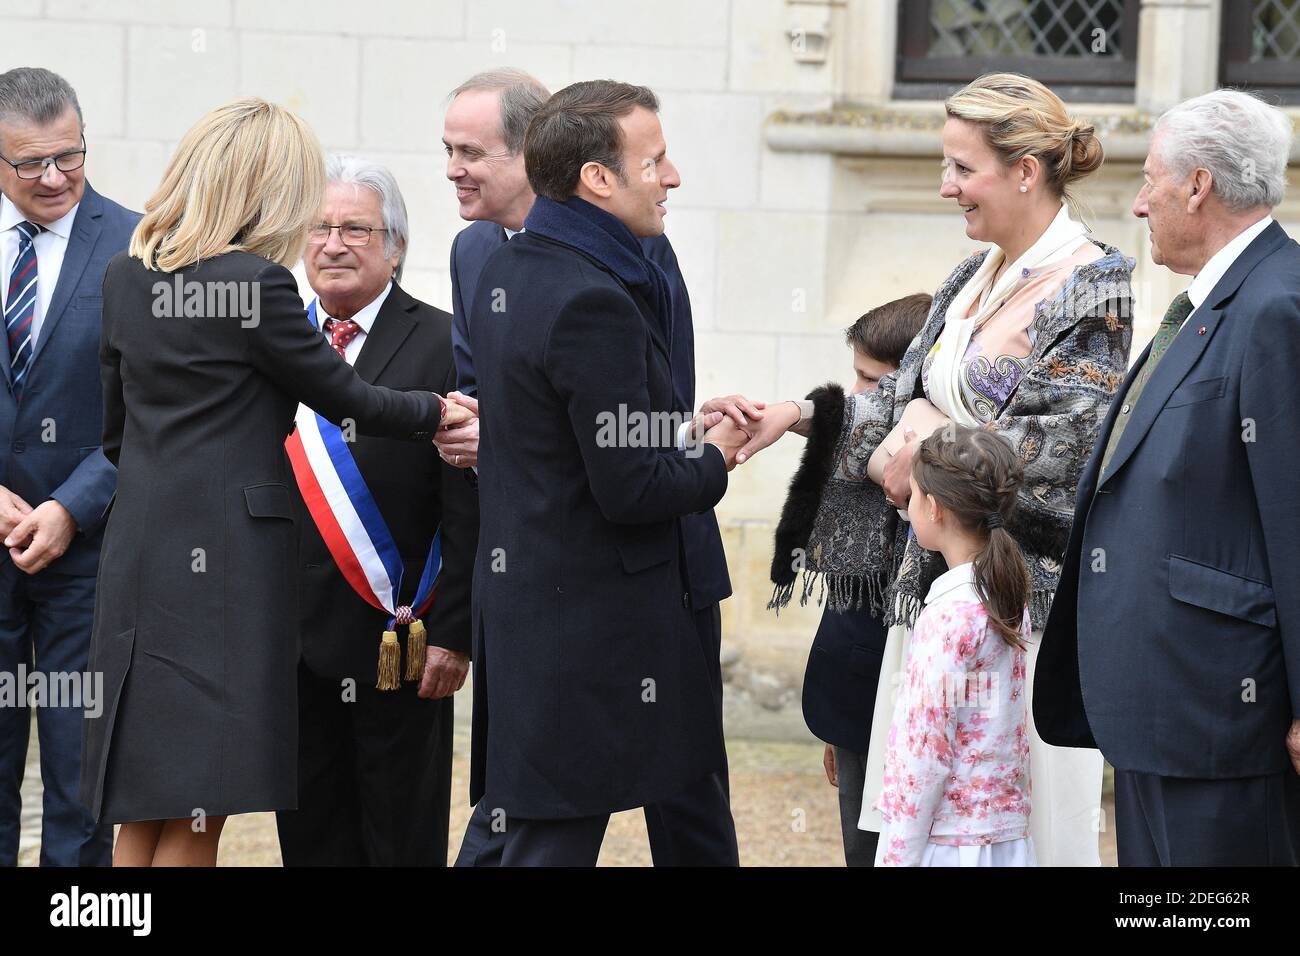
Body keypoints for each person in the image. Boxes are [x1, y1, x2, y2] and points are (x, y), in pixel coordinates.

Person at [723, 73, 1134, 866]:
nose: (946, 186)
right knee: (919, 812)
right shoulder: (971, 277)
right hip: (930, 588)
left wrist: (924, 447)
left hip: (1015, 610)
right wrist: (794, 416)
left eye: (963, 168)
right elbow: (892, 400)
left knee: (1000, 824)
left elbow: (1062, 448)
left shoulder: (1096, 285)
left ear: (1025, 170)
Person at [79, 98, 470, 867]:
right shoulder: (256, 285)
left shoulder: (126, 277)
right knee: (202, 803)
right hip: (229, 566)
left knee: (149, 795)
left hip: (139, 557)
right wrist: (439, 410)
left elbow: (116, 435)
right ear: (266, 188)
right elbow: (352, 400)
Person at [441, 69, 739, 865]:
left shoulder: (531, 268)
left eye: (470, 150)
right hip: (588, 610)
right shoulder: (579, 291)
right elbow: (632, 480)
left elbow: (640, 408)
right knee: (544, 825)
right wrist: (720, 452)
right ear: (599, 178)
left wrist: (681, 433)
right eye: (655, 162)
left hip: (588, 593)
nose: (672, 177)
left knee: (668, 802)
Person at [1034, 89, 1300, 866]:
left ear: (1198, 186)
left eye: (1151, 180)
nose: (1140, 202)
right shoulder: (1213, 301)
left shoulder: (1278, 307)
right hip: (1163, 707)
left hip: (1225, 716)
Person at [274, 156, 478, 866]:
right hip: (288, 641)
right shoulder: (271, 339)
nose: (333, 244)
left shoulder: (445, 342)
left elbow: (468, 501)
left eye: (355, 229)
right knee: (310, 841)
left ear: (395, 247)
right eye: (320, 227)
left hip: (399, 639)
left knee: (401, 840)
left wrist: (454, 632)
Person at [0, 66, 138, 867]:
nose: (54, 177)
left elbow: (154, 410)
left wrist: (71, 507)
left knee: (81, 787)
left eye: (69, 155)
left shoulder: (138, 247)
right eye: (29, 163)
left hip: (89, 560)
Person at [769, 292, 931, 866]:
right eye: (855, 377)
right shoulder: (854, 470)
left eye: (873, 382)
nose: (858, 396)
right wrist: (841, 729)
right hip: (856, 694)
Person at [875, 426, 1033, 866]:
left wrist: (897, 855)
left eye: (913, 495)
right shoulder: (1006, 593)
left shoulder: (947, 616)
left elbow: (924, 749)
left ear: (935, 508)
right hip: (1002, 835)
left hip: (945, 843)